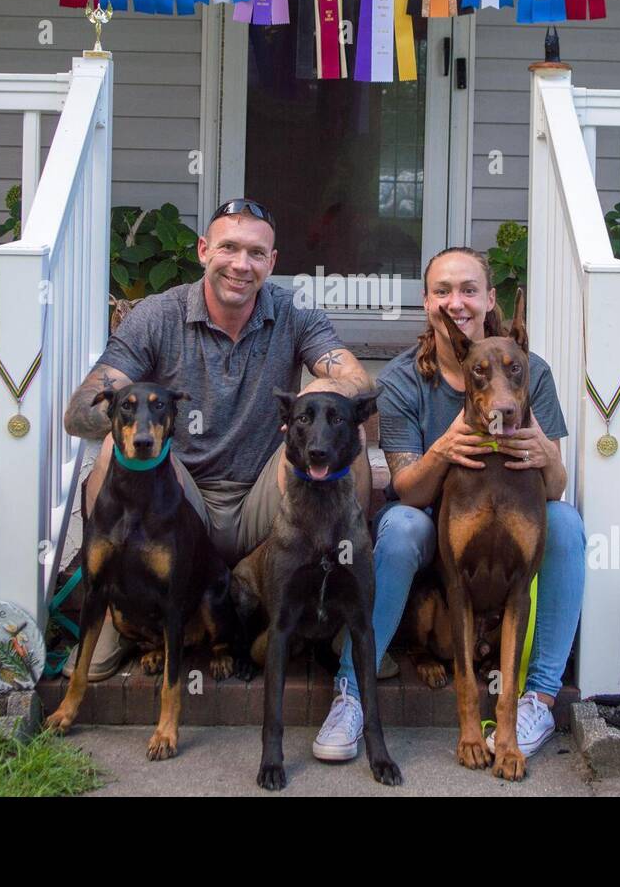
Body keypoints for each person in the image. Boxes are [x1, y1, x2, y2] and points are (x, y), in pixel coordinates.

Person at [62, 198, 373, 679]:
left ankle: (343, 611)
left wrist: (321, 392)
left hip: (266, 500)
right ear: (204, 250)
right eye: (229, 248)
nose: (241, 265)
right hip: (179, 505)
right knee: (112, 448)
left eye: (255, 253)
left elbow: (359, 383)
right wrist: (136, 413)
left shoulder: (294, 314)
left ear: (271, 263)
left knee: (344, 446)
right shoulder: (157, 316)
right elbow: (81, 412)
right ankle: (109, 616)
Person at [311, 246, 586, 762]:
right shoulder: (399, 379)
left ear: (489, 299)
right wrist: (444, 447)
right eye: (442, 291)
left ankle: (539, 698)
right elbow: (406, 489)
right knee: (400, 526)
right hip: (437, 516)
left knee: (566, 524)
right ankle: (352, 690)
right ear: (427, 302)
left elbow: (555, 487)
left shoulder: (530, 370)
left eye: (467, 290)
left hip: (517, 508)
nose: (455, 302)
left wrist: (546, 451)